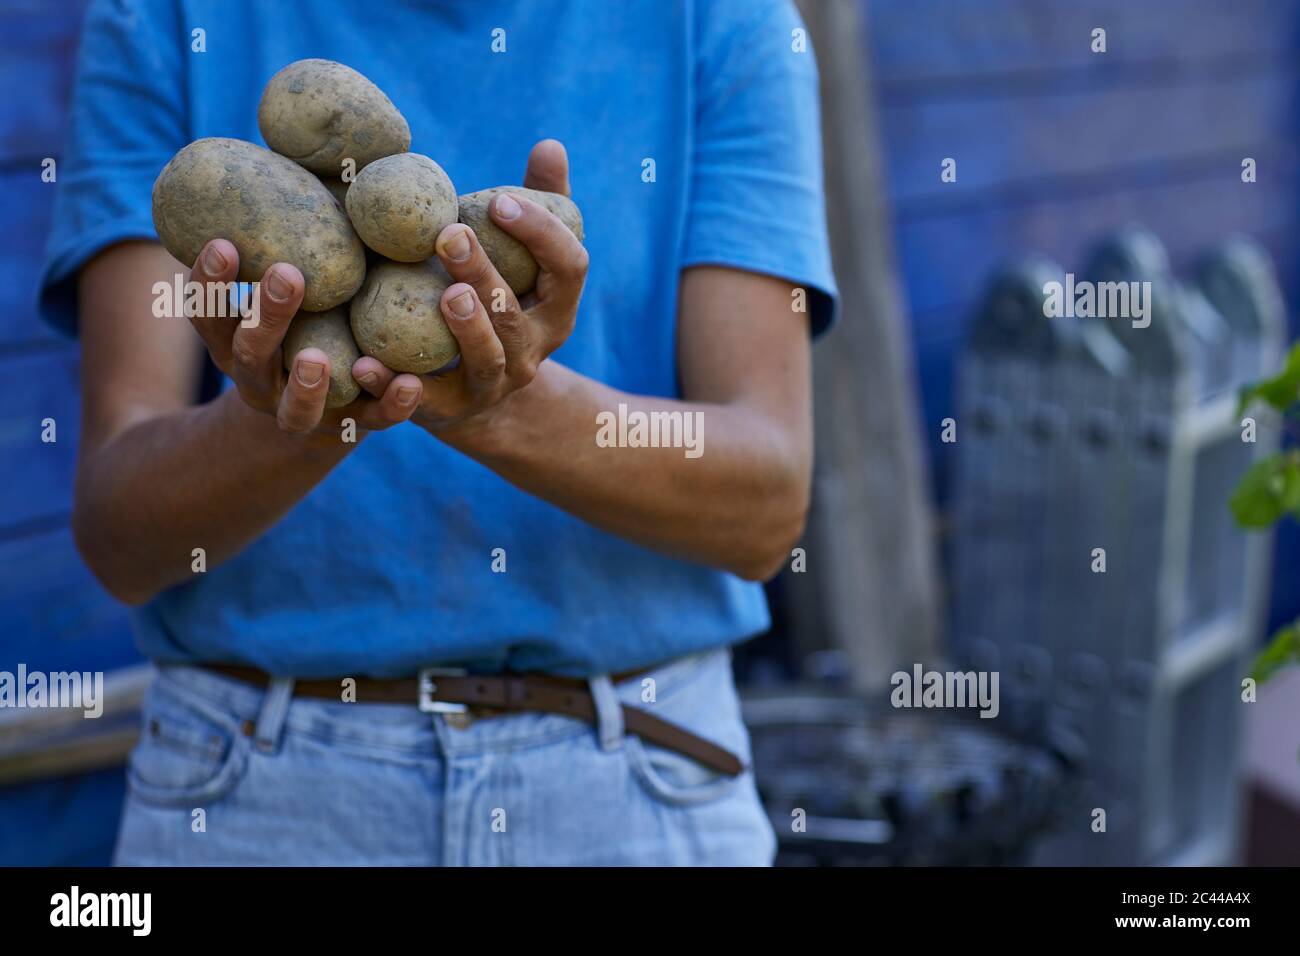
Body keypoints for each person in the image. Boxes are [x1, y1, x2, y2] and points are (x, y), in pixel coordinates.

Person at [40, 0, 836, 865]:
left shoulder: (724, 20)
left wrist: (503, 408)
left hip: (637, 779)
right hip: (253, 791)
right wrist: (295, 422)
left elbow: (765, 511)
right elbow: (121, 537)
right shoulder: (164, 17)